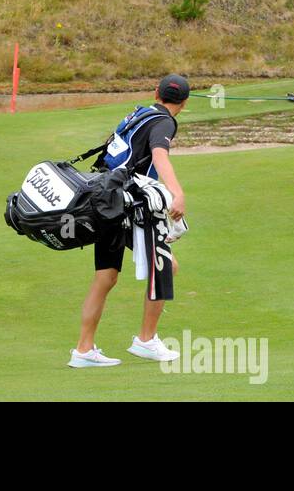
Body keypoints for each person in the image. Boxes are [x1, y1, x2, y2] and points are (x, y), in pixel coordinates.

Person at [70, 74, 189, 368]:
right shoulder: (164, 121)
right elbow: (159, 156)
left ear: (155, 93)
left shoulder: (139, 113)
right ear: (183, 104)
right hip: (128, 204)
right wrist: (177, 193)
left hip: (103, 199)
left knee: (106, 276)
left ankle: (83, 350)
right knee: (165, 267)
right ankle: (146, 341)